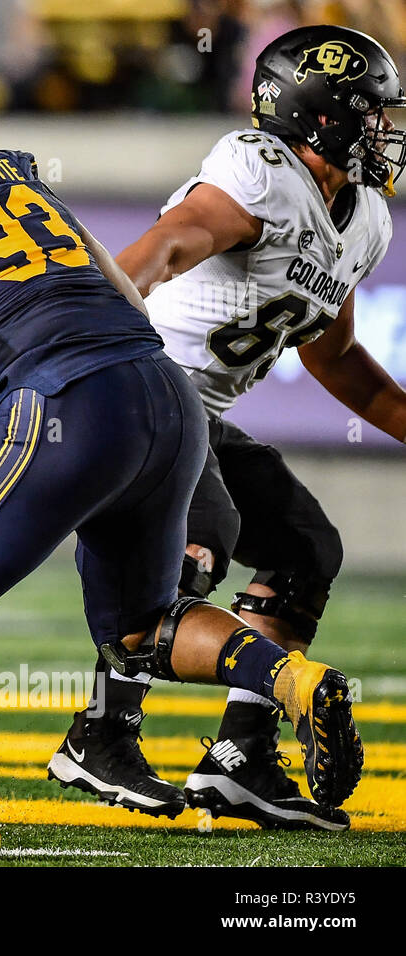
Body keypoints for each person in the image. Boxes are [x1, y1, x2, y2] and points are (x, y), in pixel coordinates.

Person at [0, 52, 365, 860]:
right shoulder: (18, 180)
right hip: (165, 393)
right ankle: (291, 678)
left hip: (59, 404)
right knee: (140, 628)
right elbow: (122, 287)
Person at [49, 24, 403, 830]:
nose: (389, 132)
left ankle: (241, 760)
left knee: (303, 549)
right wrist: (97, 325)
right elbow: (173, 244)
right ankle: (102, 735)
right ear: (319, 117)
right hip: (141, 384)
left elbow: (336, 356)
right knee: (200, 542)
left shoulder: (366, 217)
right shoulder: (262, 171)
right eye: (373, 115)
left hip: (199, 408)